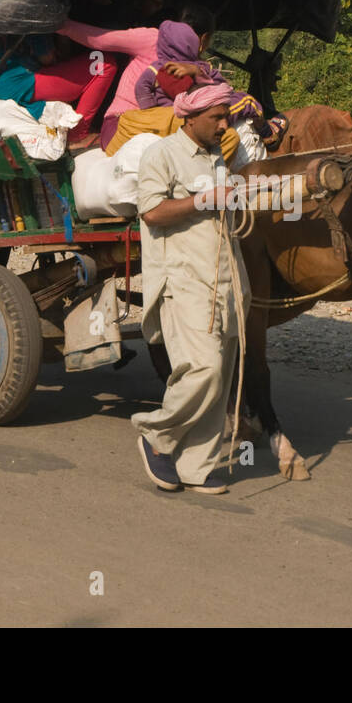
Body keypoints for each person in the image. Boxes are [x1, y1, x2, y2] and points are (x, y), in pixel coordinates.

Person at [132, 81, 249, 495]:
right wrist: (207, 200)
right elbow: (151, 212)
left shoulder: (221, 158)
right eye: (217, 117)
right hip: (183, 280)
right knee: (204, 370)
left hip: (227, 280)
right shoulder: (161, 154)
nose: (224, 125)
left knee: (224, 373)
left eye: (227, 116)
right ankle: (156, 436)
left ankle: (197, 466)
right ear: (190, 116)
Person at [57, 5, 218, 151]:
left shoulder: (196, 67)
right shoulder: (156, 40)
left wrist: (63, 26)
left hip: (144, 129)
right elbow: (102, 40)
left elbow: (100, 39)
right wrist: (62, 25)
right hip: (123, 127)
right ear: (204, 39)